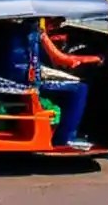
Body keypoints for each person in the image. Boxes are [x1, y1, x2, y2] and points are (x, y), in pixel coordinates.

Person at [38, 18, 102, 149]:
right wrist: (96, 58)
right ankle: (65, 138)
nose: (57, 26)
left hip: (26, 72)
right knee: (80, 88)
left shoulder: (28, 29)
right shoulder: (39, 33)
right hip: (33, 78)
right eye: (54, 22)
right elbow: (61, 60)